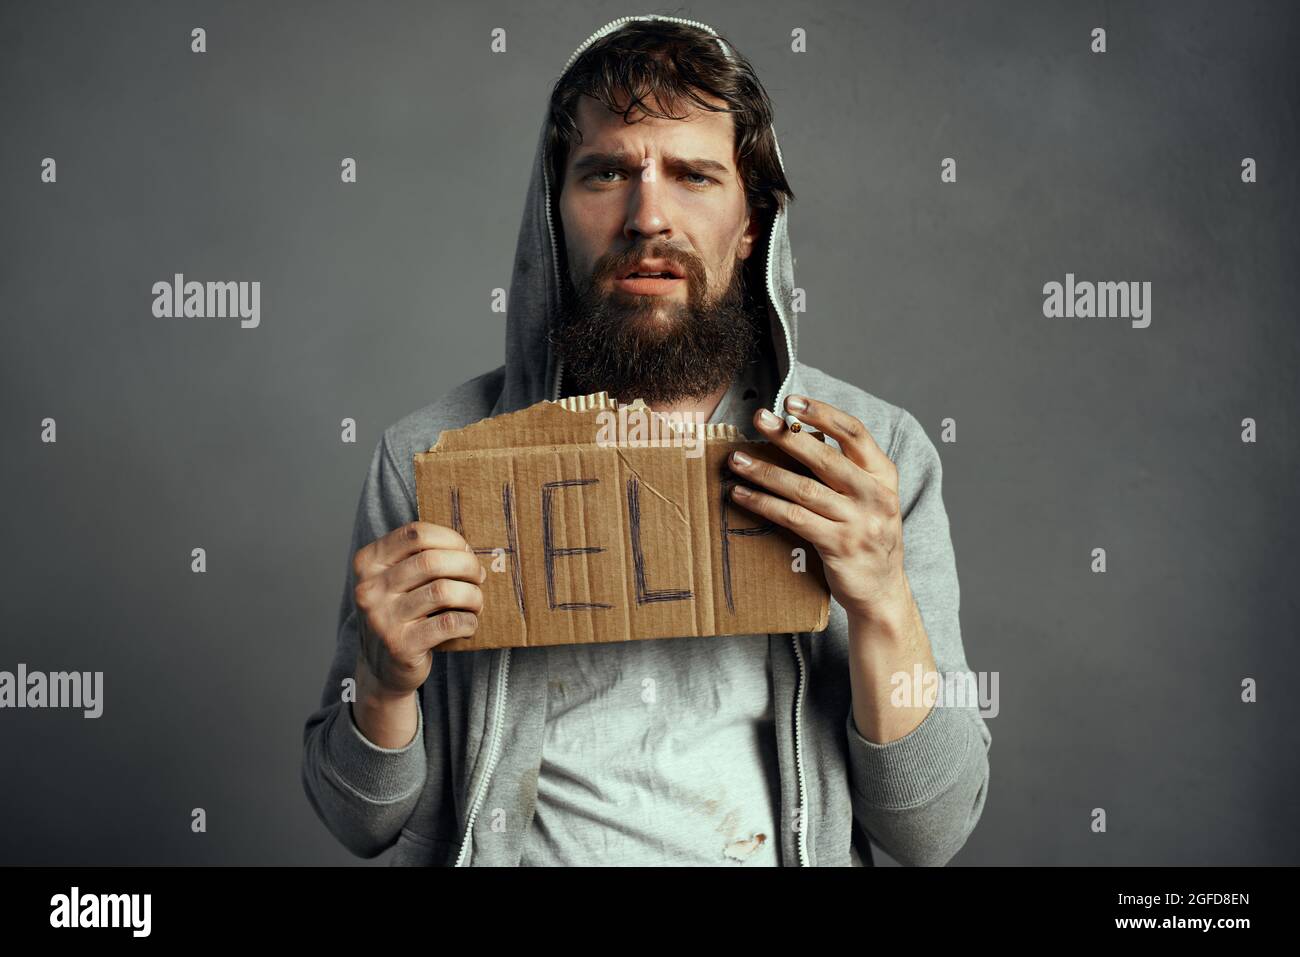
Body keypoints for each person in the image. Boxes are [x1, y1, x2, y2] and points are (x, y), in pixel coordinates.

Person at [301, 14, 991, 867]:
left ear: (751, 226)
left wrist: (884, 597)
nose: (647, 214)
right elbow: (356, 819)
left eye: (694, 175)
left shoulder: (868, 462)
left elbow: (933, 832)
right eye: (607, 173)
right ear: (555, 213)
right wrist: (381, 687)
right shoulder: (435, 457)